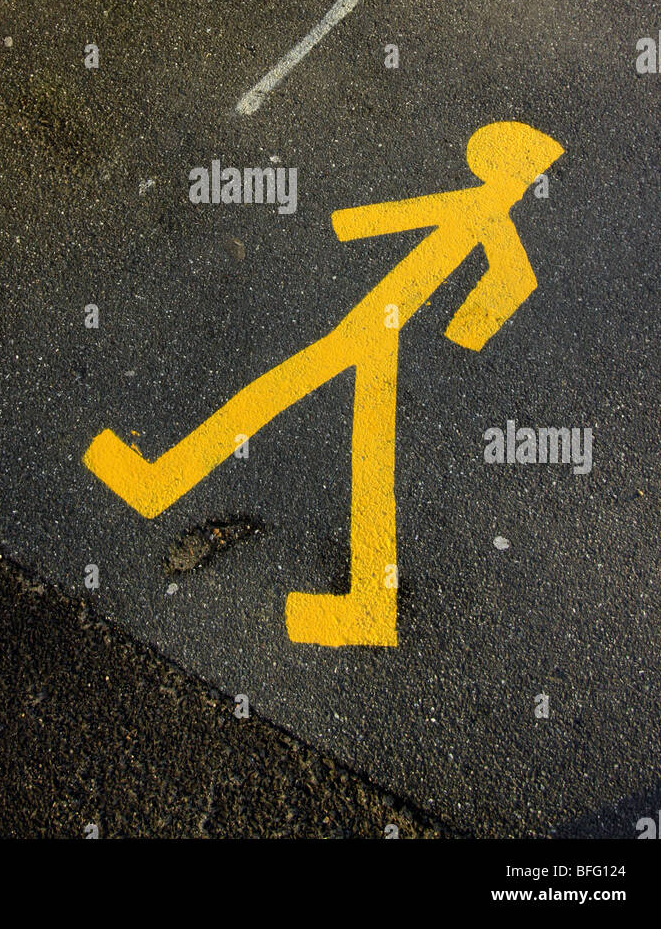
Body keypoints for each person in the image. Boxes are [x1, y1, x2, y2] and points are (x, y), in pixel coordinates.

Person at [84, 121, 564, 646]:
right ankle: (363, 600)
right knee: (329, 417)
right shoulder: (479, 205)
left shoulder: (489, 215)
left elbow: (513, 276)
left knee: (339, 425)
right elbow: (399, 221)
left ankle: (367, 604)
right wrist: (350, 224)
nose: (520, 181)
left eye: (523, 173)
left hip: (380, 326)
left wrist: (468, 327)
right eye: (522, 171)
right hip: (373, 323)